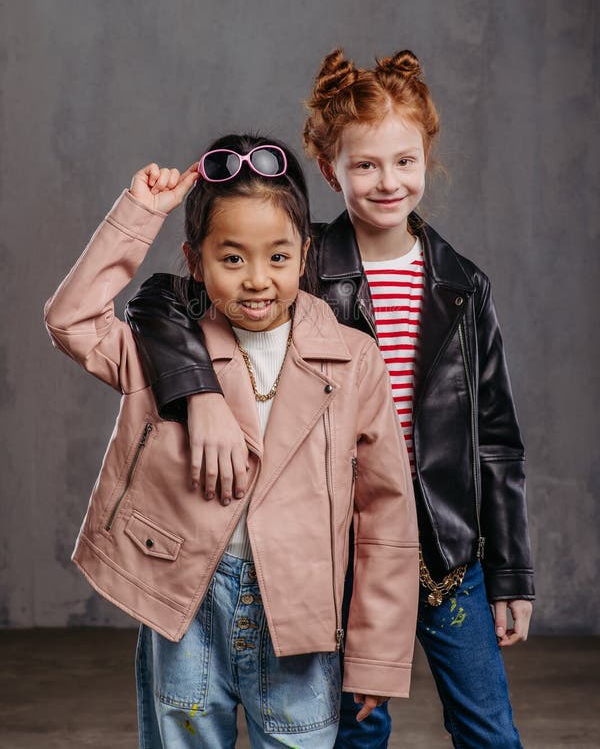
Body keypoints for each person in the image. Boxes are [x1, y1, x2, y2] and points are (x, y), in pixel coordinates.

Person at [124, 50, 536, 749]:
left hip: (447, 547)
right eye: (365, 165)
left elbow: (494, 435)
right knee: (354, 728)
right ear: (329, 170)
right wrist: (202, 398)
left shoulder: (462, 285)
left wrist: (511, 570)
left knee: (488, 728)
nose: (388, 181)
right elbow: (162, 302)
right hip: (334, 542)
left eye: (404, 161)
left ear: (427, 158)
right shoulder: (287, 262)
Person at [44, 134, 419, 749]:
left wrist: (377, 653)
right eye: (233, 258)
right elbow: (72, 321)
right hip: (185, 603)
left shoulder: (355, 362)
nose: (257, 281)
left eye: (278, 256)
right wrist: (140, 215)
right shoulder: (163, 353)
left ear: (305, 254)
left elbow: (385, 516)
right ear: (196, 261)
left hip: (299, 613)